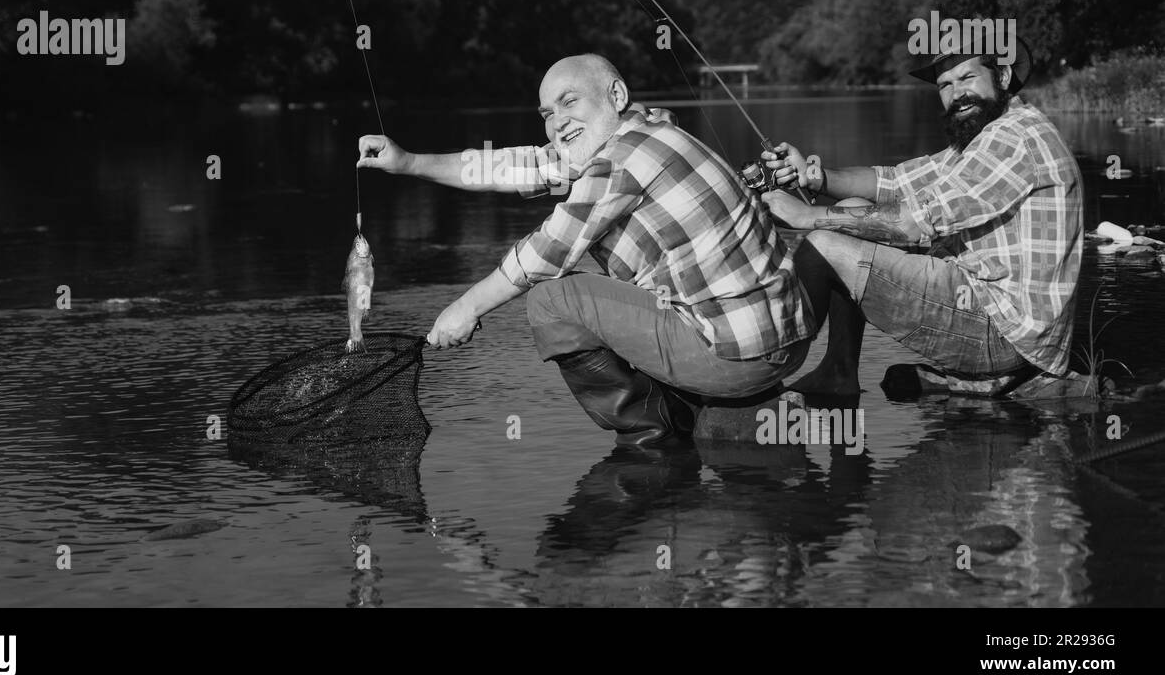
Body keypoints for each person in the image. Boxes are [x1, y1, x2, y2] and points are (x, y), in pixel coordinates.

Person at [357, 54, 816, 446]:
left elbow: (546, 252)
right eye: (546, 112)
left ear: (615, 95)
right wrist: (408, 162)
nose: (556, 122)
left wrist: (465, 307)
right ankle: (706, 401)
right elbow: (514, 165)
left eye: (569, 102)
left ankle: (658, 431)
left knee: (550, 299)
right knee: (584, 287)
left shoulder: (618, 163)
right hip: (784, 338)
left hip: (739, 356)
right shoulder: (646, 128)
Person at [759, 38, 1083, 394]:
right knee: (850, 211)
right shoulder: (988, 135)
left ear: (1003, 76)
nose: (957, 94)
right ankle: (837, 373)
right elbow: (895, 182)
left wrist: (806, 216)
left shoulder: (1013, 137)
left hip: (1007, 335)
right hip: (996, 319)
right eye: (945, 85)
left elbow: (910, 224)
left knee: (823, 246)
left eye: (967, 78)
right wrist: (815, 177)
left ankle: (759, 378)